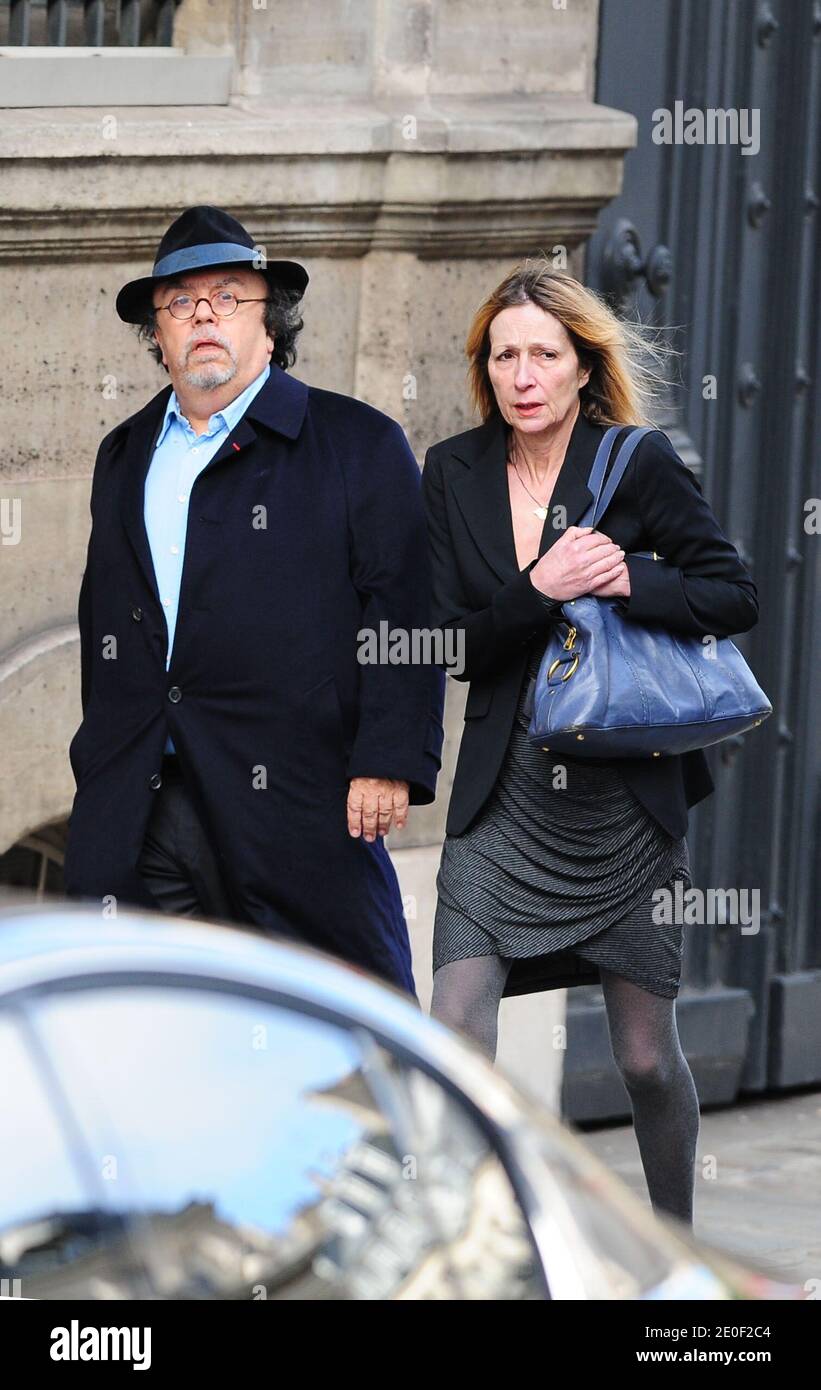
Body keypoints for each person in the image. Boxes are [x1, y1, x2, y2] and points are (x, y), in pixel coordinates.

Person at [421, 260, 759, 1226]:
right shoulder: (450, 471)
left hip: (621, 797)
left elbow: (732, 593)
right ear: (483, 371)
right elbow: (449, 641)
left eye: (543, 354)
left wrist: (622, 584)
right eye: (503, 357)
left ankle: (674, 1255)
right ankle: (470, 1256)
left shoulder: (635, 461)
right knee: (454, 1029)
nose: (522, 375)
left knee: (647, 1060)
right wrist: (540, 586)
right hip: (502, 796)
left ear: (580, 366)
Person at [63, 204, 444, 998]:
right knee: (149, 1028)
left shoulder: (355, 443)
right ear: (157, 337)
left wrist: (387, 759)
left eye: (227, 296)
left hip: (299, 802)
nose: (203, 315)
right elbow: (106, 617)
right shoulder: (125, 452)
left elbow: (406, 610)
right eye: (180, 302)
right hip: (142, 802)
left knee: (345, 1024)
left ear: (269, 326)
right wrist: (98, 757)